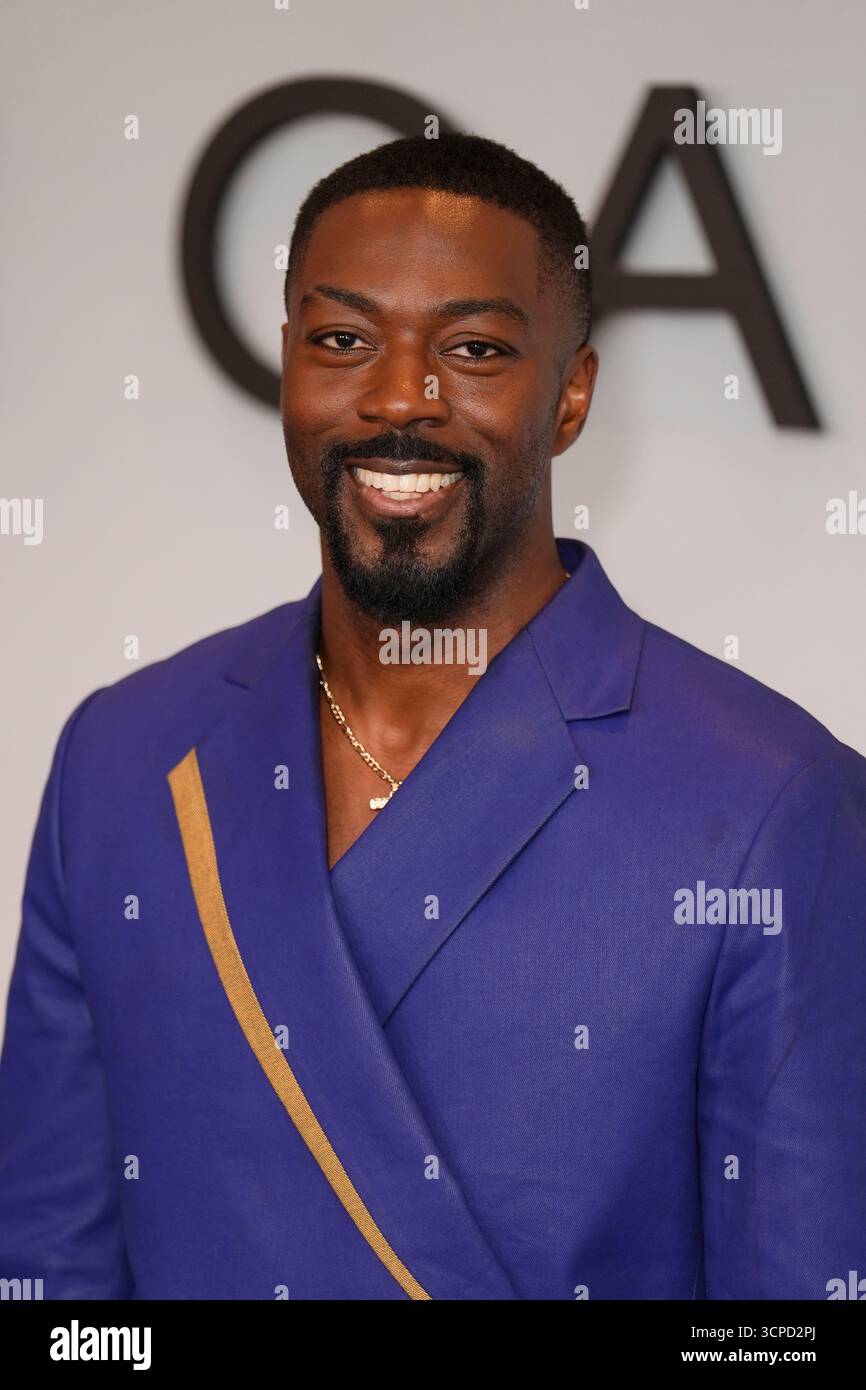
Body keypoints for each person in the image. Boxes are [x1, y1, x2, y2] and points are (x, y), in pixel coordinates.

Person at [0, 133, 864, 1302]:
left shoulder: (772, 797)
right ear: (288, 369)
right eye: (342, 339)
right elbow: (50, 1283)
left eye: (473, 349)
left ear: (568, 396)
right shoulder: (124, 757)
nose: (398, 395)